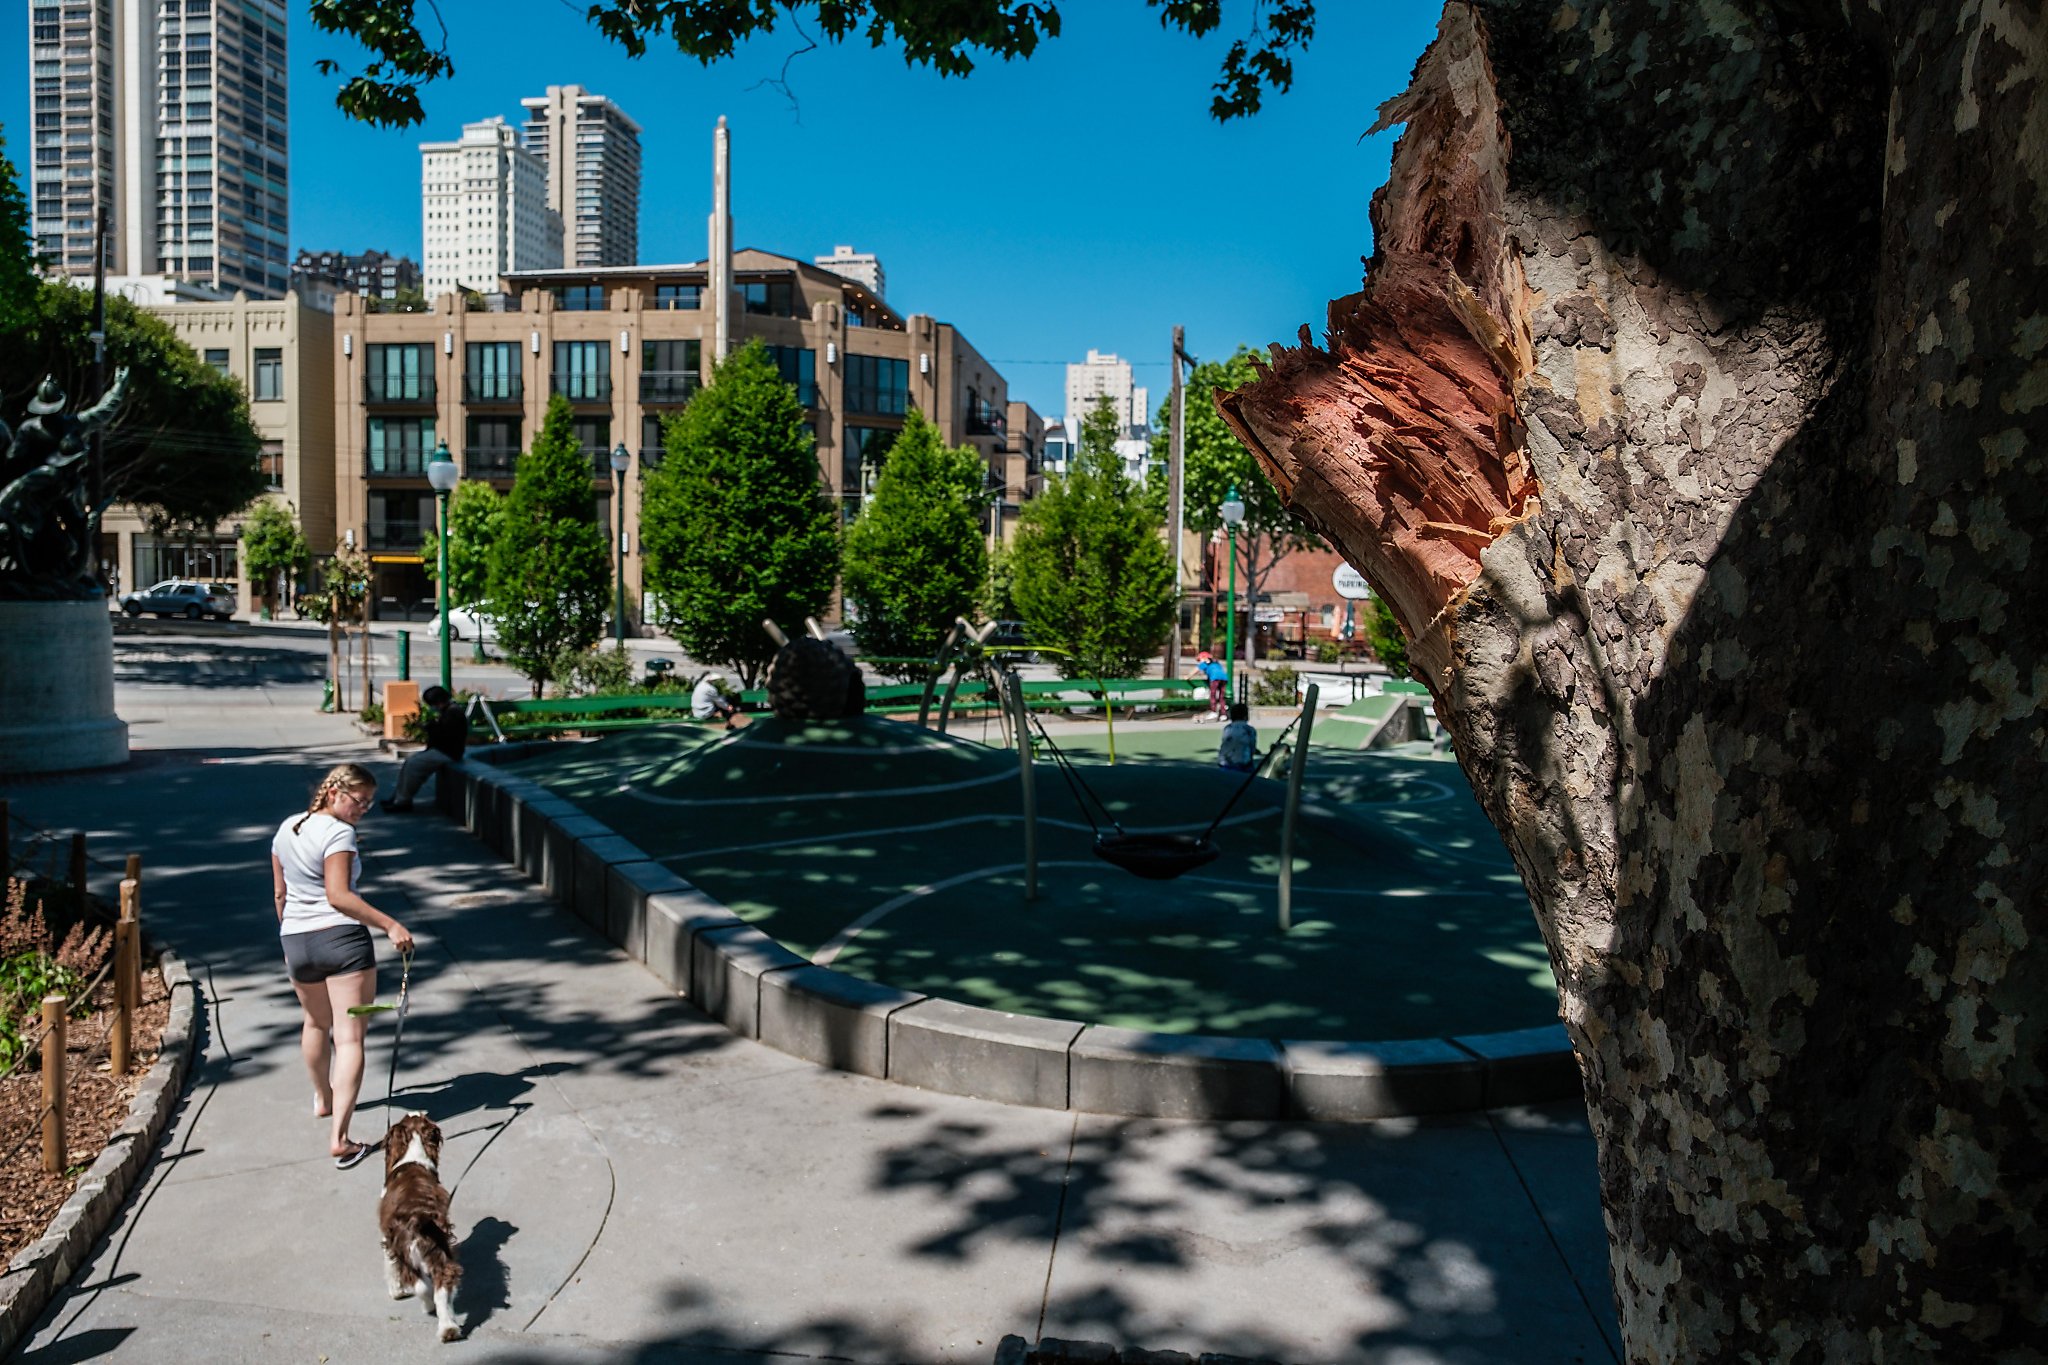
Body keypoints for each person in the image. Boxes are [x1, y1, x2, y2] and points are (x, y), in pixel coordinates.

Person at [271, 763, 415, 1169]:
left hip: (297, 941)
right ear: (334, 791)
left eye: (368, 804)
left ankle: (323, 1099)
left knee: (315, 1024)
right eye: (358, 800)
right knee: (350, 1040)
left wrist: (289, 939)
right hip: (342, 941)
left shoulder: (287, 828)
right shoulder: (338, 833)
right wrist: (390, 924)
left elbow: (280, 893)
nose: (362, 809)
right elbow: (338, 896)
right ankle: (341, 1138)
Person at [382, 685, 465, 813]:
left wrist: (429, 727)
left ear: (438, 702)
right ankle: (398, 797)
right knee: (409, 763)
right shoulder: (449, 711)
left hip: (447, 752)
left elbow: (445, 734)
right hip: (443, 751)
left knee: (414, 766)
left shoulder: (453, 713)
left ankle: (403, 800)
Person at [1217, 702, 1259, 772]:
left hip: (1224, 763)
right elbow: (1252, 747)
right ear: (1246, 716)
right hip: (1242, 764)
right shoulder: (1249, 730)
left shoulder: (1227, 728)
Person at [1193, 652, 1229, 722]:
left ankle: (1213, 711)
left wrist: (1188, 676)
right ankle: (1223, 714)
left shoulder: (1205, 663)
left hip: (1214, 678)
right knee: (1222, 697)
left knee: (1213, 695)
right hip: (1224, 678)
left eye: (1199, 659)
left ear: (1204, 658)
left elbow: (1196, 670)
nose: (1199, 662)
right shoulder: (1216, 662)